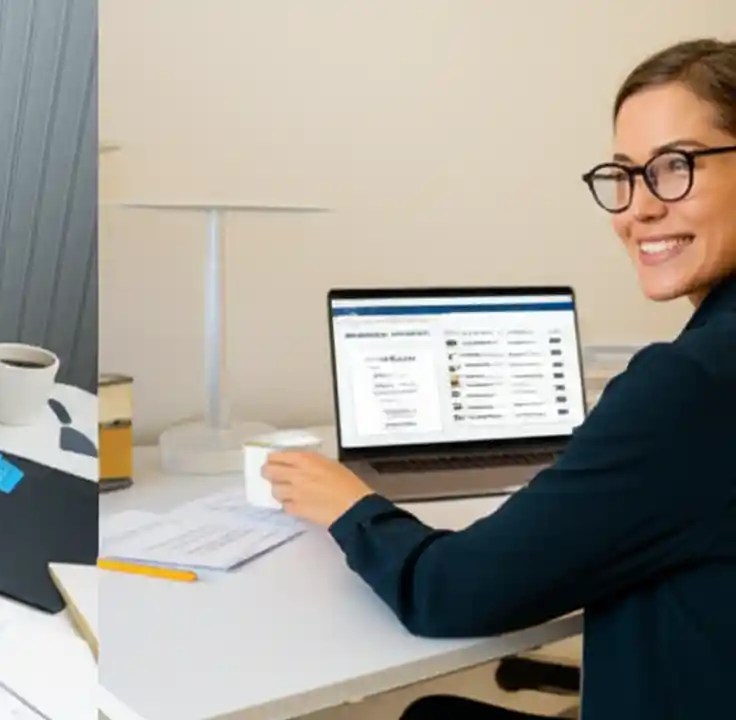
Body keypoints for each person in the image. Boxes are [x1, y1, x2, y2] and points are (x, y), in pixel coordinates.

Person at [261, 38, 736, 720]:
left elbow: (446, 593)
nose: (637, 209)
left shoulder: (692, 385)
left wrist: (349, 505)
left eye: (673, 167)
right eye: (624, 176)